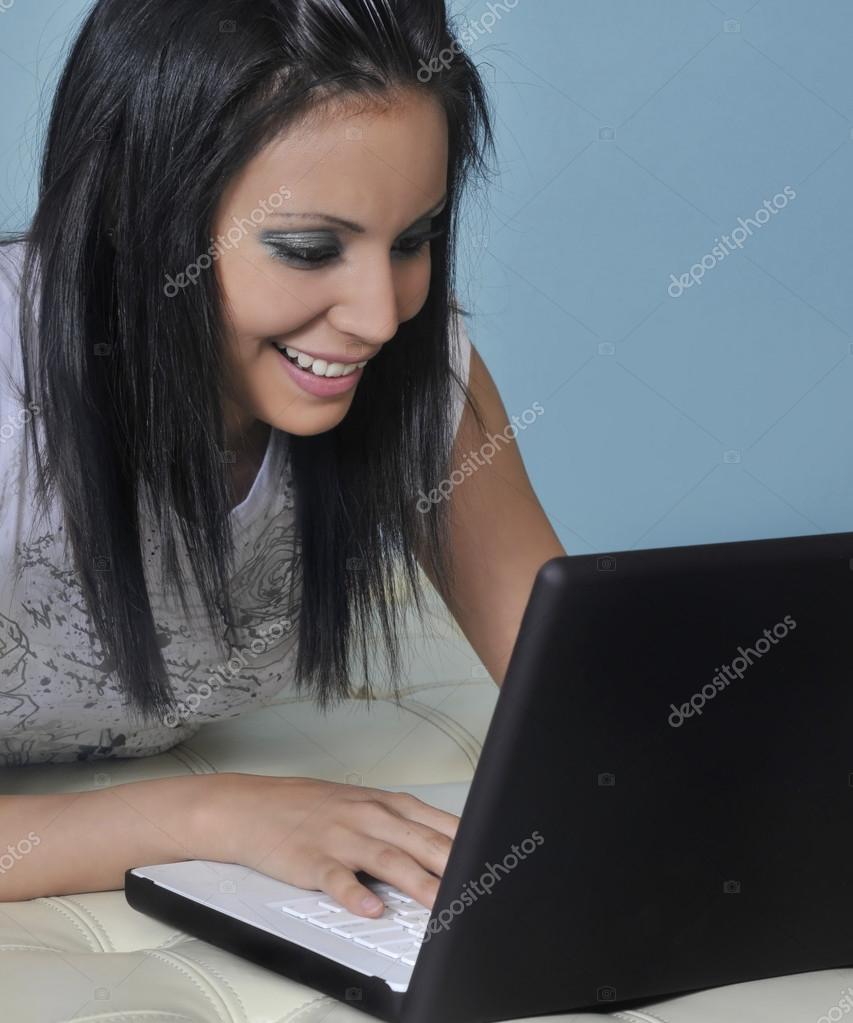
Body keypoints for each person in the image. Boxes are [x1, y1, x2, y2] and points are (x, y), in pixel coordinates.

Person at [0, 0, 565, 915]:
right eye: (308, 249)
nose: (380, 317)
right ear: (128, 221)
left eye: (413, 240)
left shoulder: (418, 376)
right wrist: (214, 815)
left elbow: (582, 696)